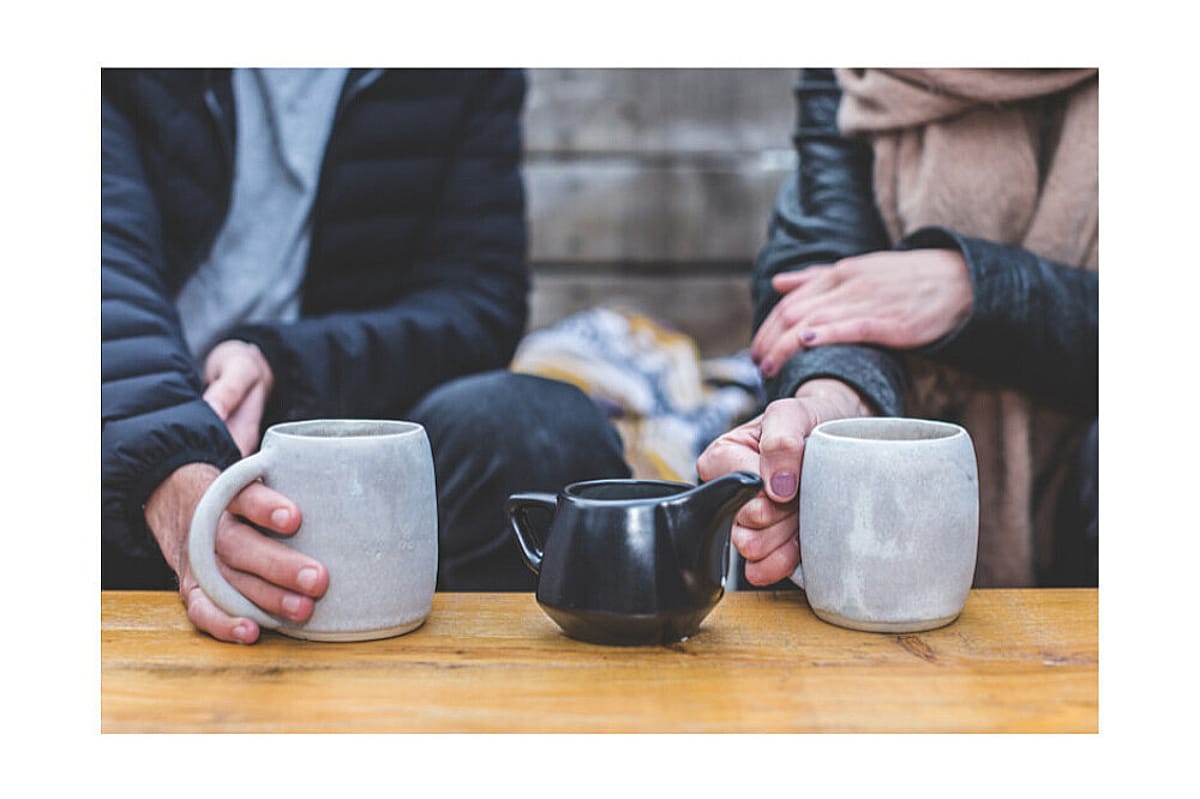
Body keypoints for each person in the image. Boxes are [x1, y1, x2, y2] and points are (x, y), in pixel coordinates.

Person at [102, 68, 631, 644]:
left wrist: (282, 362)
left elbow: (476, 303)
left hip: (337, 405)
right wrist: (166, 462)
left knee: (535, 429)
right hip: (126, 420)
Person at [698, 68, 1098, 589]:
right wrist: (831, 408)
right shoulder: (858, 62)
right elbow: (823, 271)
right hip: (905, 434)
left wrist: (979, 292)